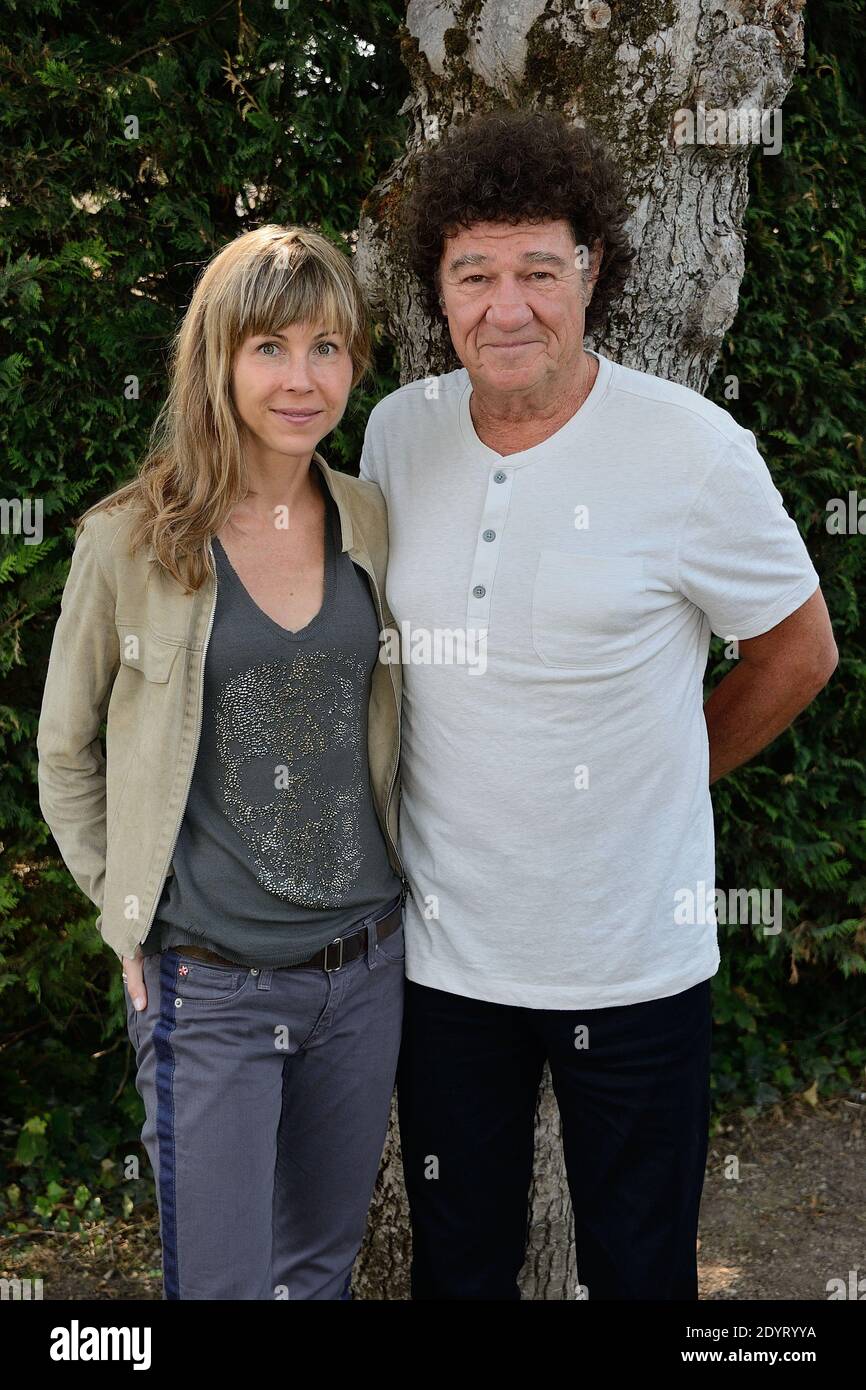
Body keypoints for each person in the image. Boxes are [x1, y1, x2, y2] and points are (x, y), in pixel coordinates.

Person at [359, 108, 839, 1300]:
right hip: (444, 962)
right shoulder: (394, 433)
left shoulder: (692, 451)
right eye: (475, 272)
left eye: (540, 269)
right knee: (456, 1265)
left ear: (593, 273)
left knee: (639, 1273)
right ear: (439, 287)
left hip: (629, 963)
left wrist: (675, 766)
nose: (506, 305)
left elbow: (797, 650)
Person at [37, 225, 407, 1300]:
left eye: (328, 347)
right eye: (271, 348)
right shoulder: (129, 540)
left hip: (363, 968)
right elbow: (65, 751)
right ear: (218, 358)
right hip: (212, 988)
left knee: (319, 1271)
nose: (303, 378)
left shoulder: (368, 517)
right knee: (224, 1287)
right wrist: (123, 907)